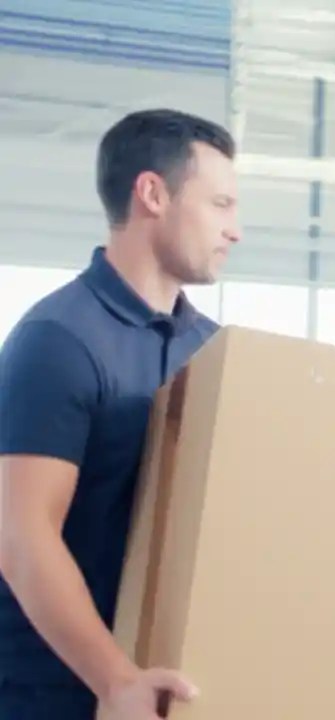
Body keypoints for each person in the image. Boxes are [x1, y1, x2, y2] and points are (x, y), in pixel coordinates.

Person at [0, 109, 240, 719]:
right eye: (220, 204)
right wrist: (114, 680)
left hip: (166, 687)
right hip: (57, 696)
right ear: (152, 194)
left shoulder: (212, 351)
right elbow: (21, 535)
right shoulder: (58, 339)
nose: (234, 230)